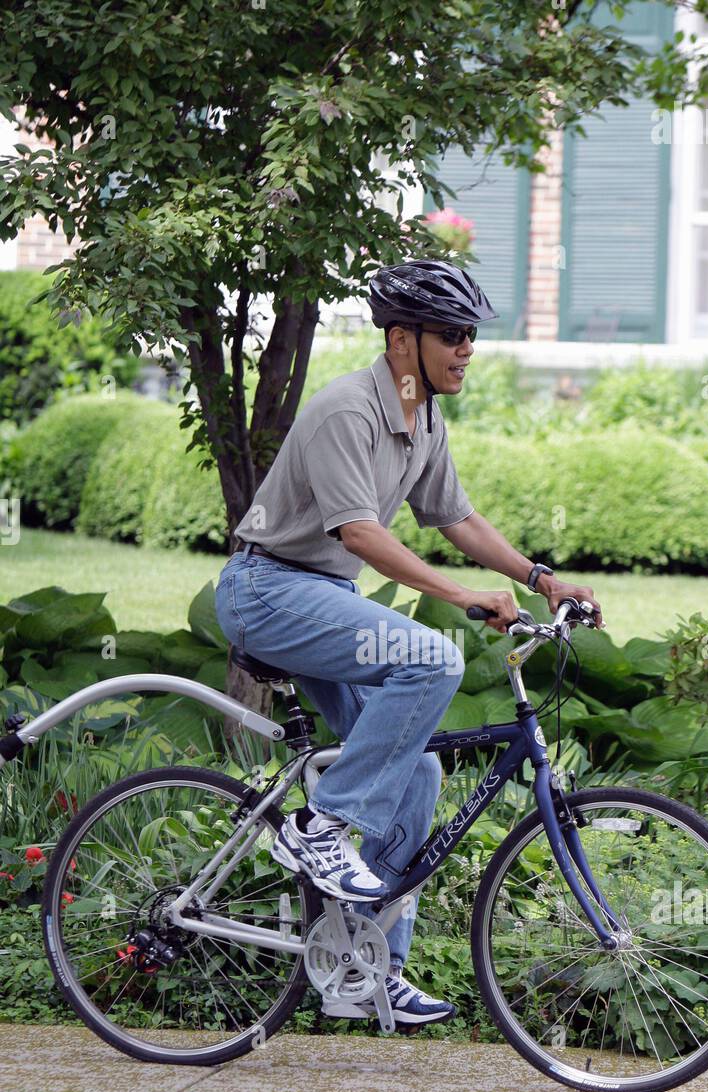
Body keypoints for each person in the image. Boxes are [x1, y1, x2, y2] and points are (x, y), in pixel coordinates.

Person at [214, 258, 602, 1025]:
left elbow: (454, 517)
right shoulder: (346, 412)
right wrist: (459, 595)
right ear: (401, 341)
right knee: (433, 658)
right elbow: (356, 532)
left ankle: (366, 966)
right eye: (452, 335)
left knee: (419, 771)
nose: (466, 350)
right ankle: (318, 827)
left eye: (469, 336)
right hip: (266, 591)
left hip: (321, 595)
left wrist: (540, 579)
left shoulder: (421, 417)